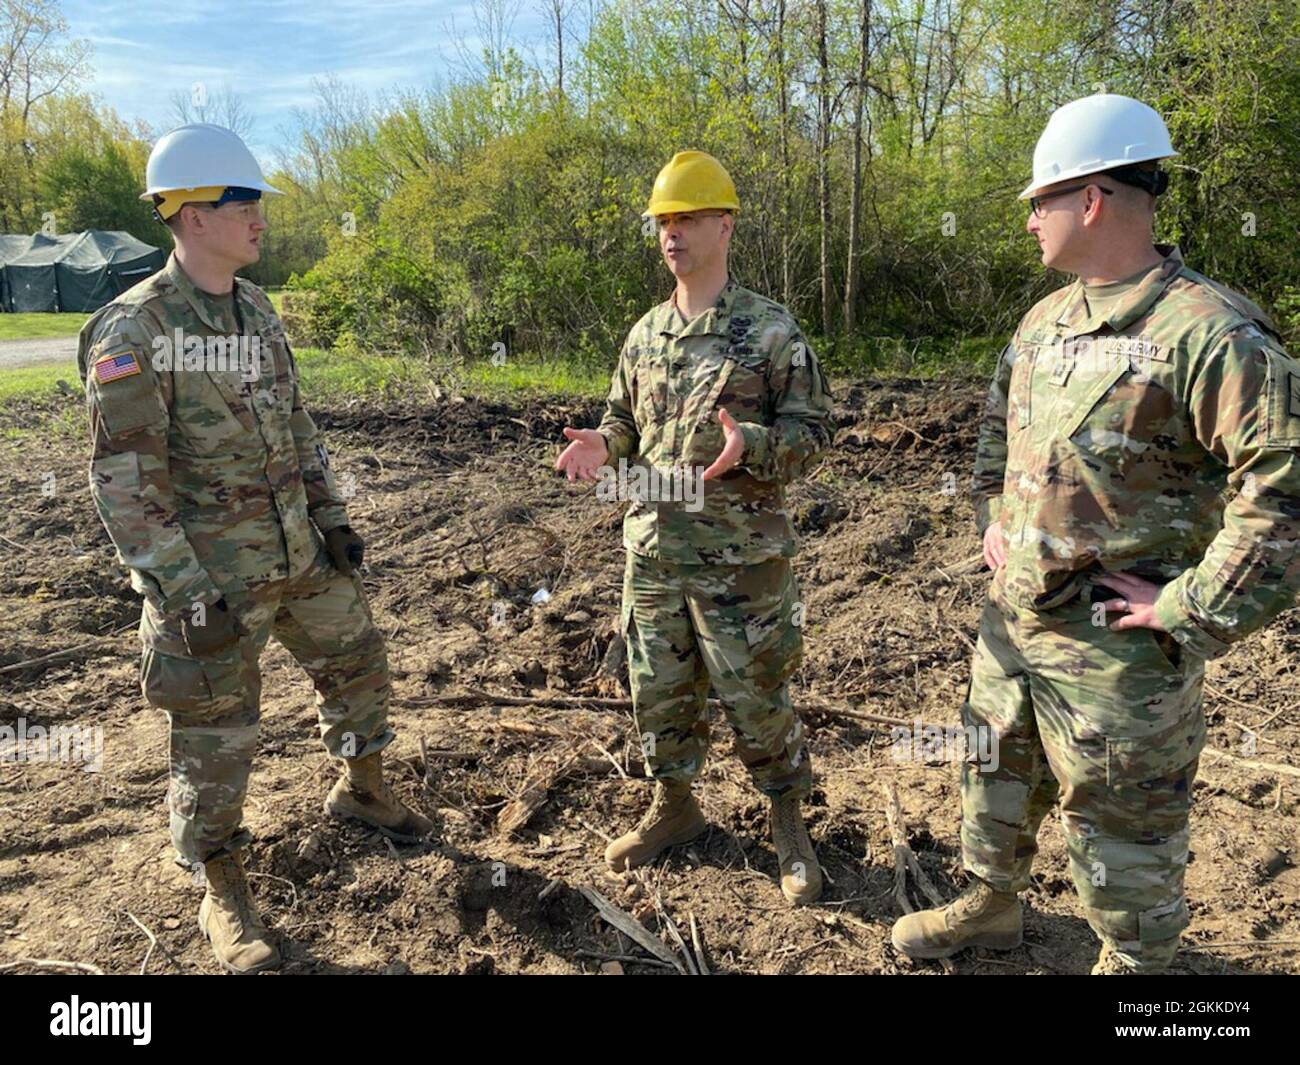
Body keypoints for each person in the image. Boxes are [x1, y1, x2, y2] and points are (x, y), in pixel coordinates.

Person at [890, 95, 1300, 973]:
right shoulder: (1043, 323)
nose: (1030, 217)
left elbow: (1285, 490)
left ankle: (1135, 971)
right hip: (1015, 627)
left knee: (1123, 836)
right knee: (991, 778)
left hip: (1121, 654)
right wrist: (994, 523)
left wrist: (1190, 608)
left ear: (1093, 200)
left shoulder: (1212, 332)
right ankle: (993, 903)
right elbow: (995, 443)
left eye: (1042, 199)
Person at [77, 123, 432, 974]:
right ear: (190, 214)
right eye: (243, 201)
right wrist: (181, 590)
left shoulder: (258, 311)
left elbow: (299, 429)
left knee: (360, 663)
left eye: (257, 200)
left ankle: (362, 788)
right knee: (216, 739)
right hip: (211, 587)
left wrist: (332, 517)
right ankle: (222, 888)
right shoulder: (135, 330)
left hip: (298, 556)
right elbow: (124, 483)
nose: (259, 215)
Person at [556, 151, 834, 904]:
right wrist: (604, 444)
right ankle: (674, 805)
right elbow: (622, 417)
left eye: (686, 219)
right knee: (659, 692)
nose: (671, 235)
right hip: (653, 552)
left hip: (740, 563)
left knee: (758, 697)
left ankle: (786, 818)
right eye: (663, 222)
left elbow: (817, 434)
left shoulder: (770, 330)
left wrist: (761, 445)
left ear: (725, 225)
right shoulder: (644, 334)